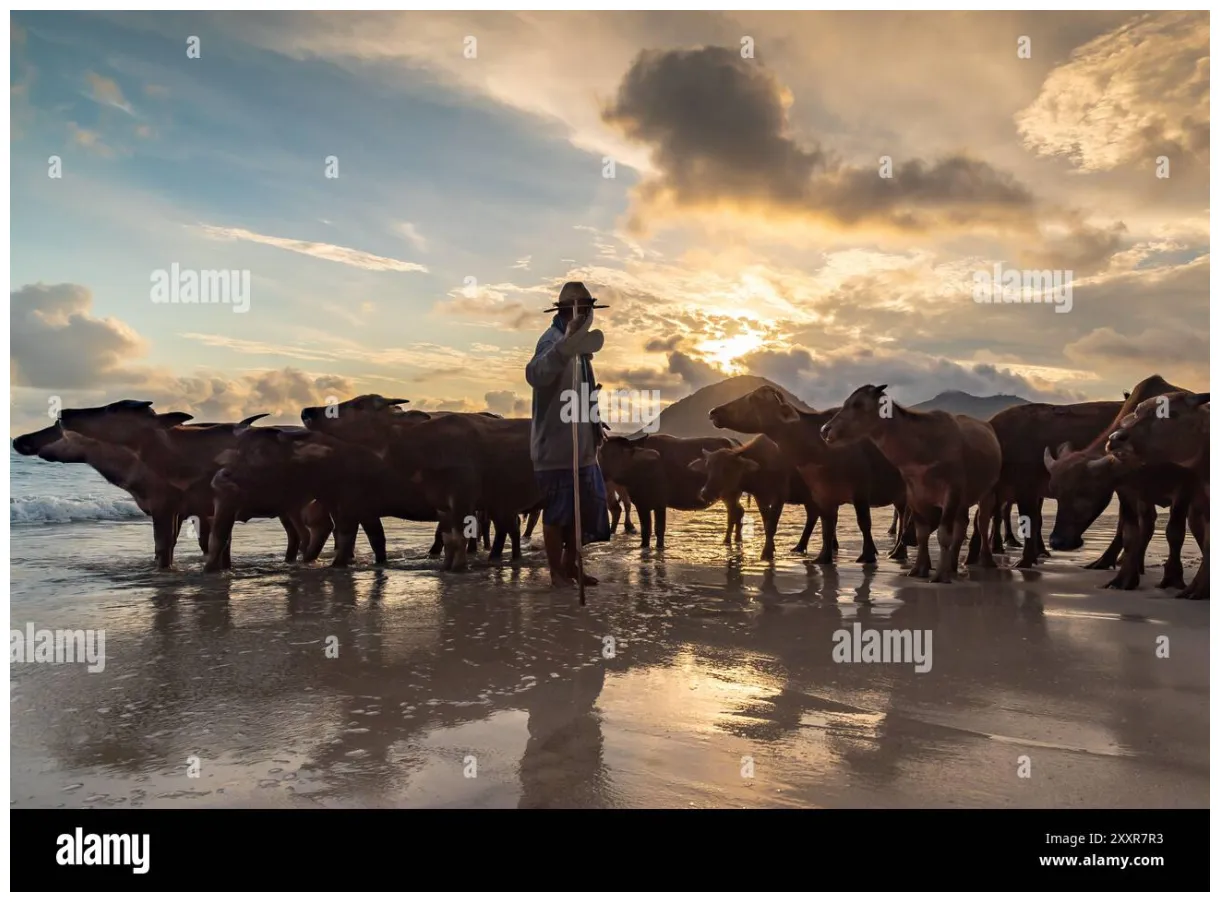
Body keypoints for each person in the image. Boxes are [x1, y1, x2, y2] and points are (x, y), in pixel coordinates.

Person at [524, 281, 613, 588]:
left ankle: (571, 564)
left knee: (585, 510)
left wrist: (594, 422)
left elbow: (584, 394)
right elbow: (535, 374)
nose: (587, 315)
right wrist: (565, 346)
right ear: (568, 312)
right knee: (558, 513)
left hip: (584, 449)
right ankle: (557, 574)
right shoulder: (551, 341)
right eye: (581, 310)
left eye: (589, 310)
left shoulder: (583, 349)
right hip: (556, 449)